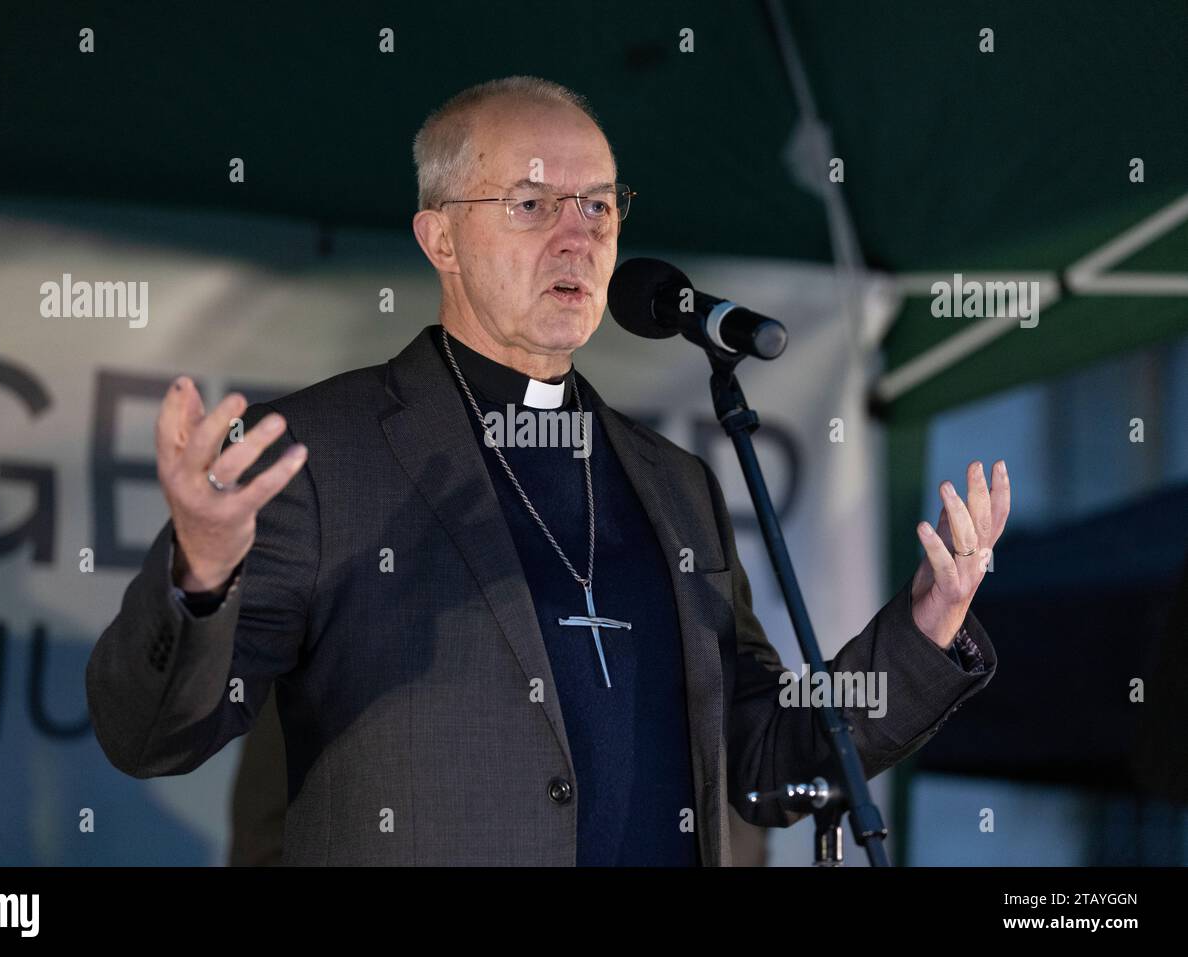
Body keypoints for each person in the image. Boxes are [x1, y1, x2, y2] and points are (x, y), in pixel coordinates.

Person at [86, 75, 1009, 866]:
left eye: (600, 204)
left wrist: (924, 631)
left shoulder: (675, 484)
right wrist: (200, 577)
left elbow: (763, 761)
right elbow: (151, 734)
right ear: (439, 237)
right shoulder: (327, 454)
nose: (579, 237)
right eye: (531, 206)